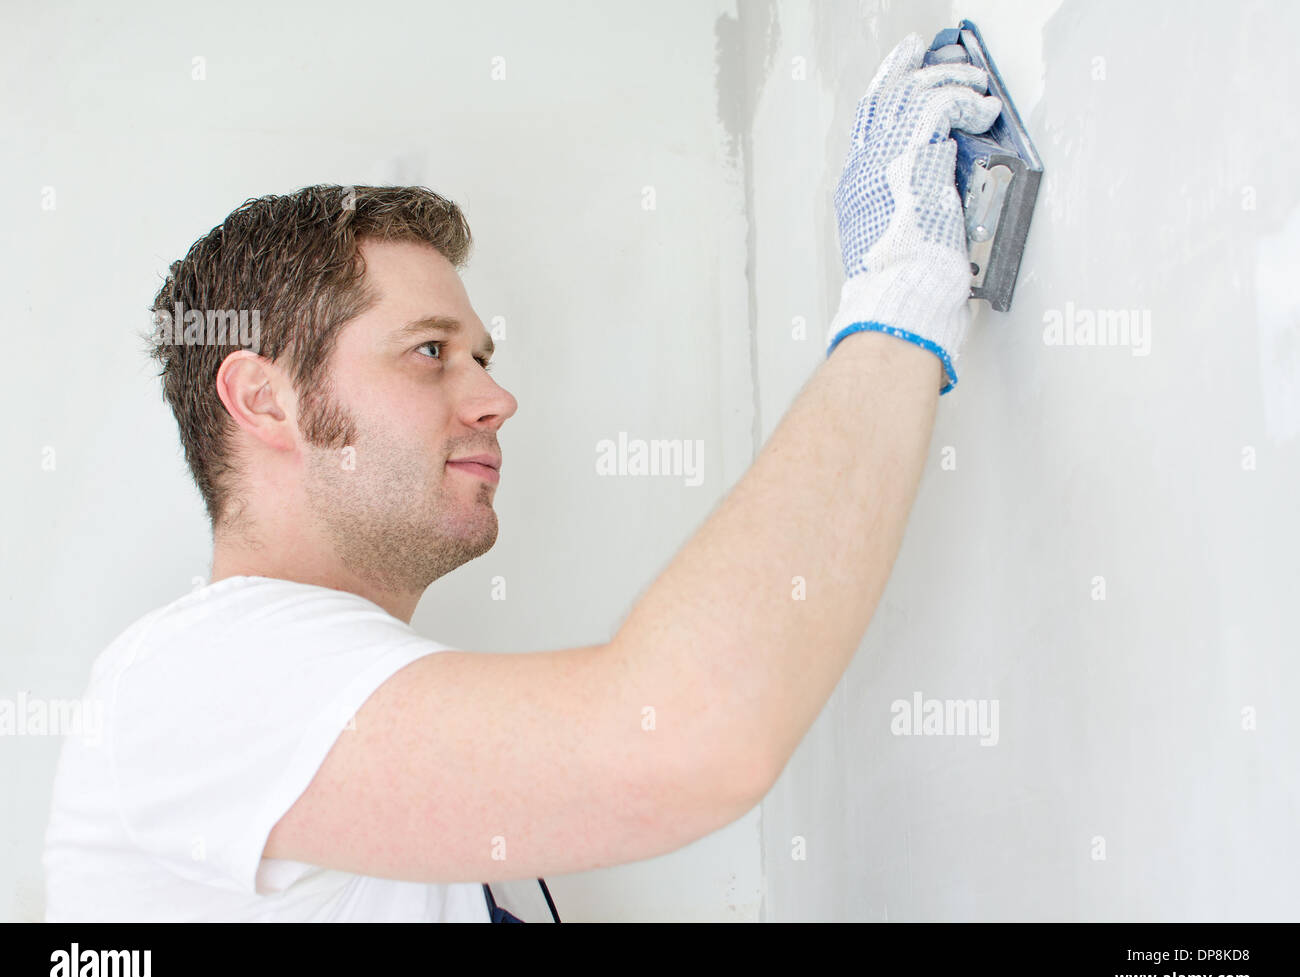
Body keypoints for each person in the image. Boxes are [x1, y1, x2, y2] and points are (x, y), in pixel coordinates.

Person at [42, 33, 1000, 922]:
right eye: (430, 351)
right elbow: (687, 740)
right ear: (264, 400)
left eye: (483, 357)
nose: (497, 398)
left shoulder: (356, 719)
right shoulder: (202, 676)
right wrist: (896, 299)